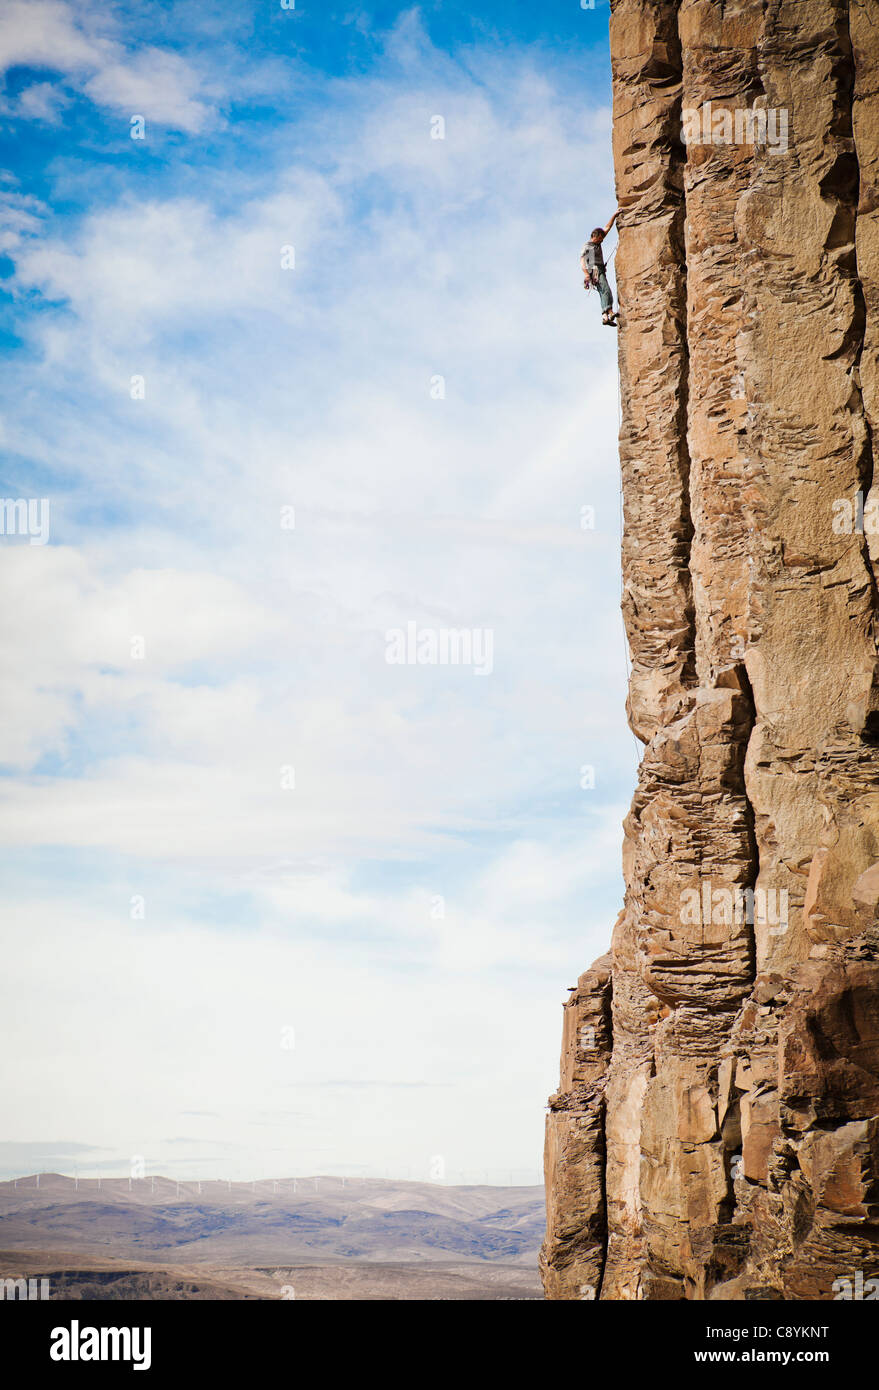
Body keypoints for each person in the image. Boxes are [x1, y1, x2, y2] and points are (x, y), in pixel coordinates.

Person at [581, 210, 620, 327]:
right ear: (594, 236)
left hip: (600, 270)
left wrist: (614, 215)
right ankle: (610, 312)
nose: (602, 241)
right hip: (594, 272)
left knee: (603, 292)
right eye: (600, 239)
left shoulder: (597, 242)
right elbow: (582, 261)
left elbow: (607, 227)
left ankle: (605, 317)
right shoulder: (587, 247)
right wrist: (586, 275)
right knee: (606, 290)